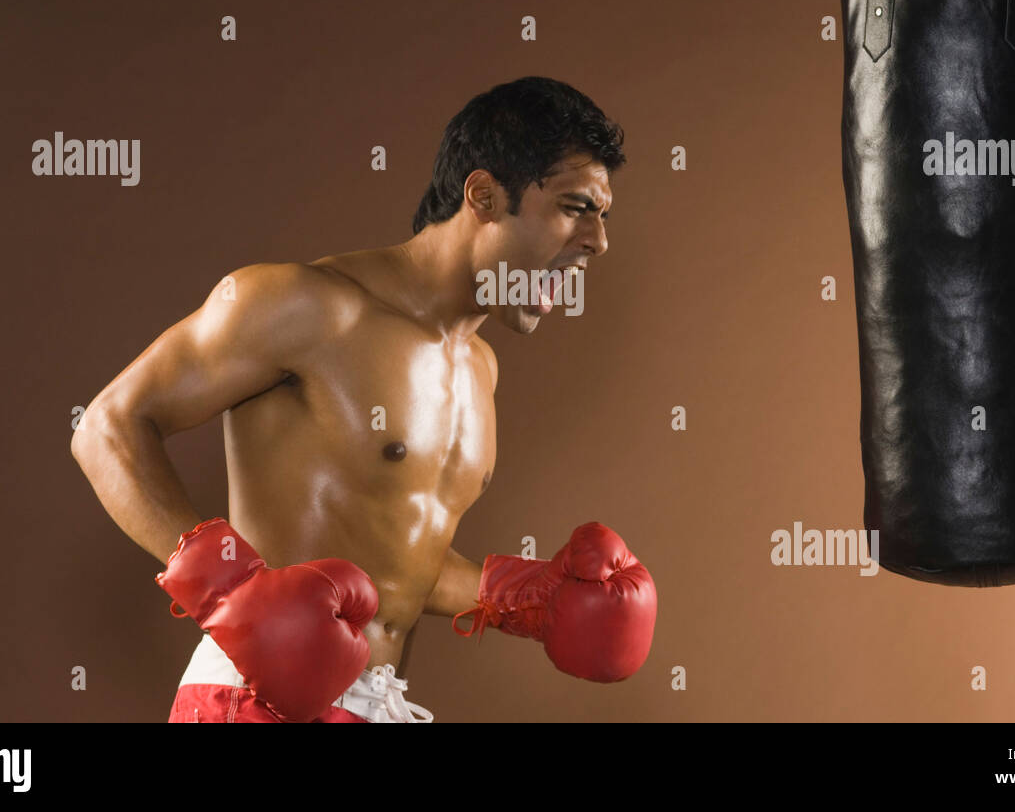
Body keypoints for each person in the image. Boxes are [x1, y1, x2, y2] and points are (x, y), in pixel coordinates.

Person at [70, 76, 657, 723]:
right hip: (251, 700)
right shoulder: (309, 306)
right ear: (485, 195)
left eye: (603, 215)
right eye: (577, 207)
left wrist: (530, 596)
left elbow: (397, 565)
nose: (599, 240)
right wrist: (229, 591)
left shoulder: (479, 368)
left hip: (375, 707)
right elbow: (107, 426)